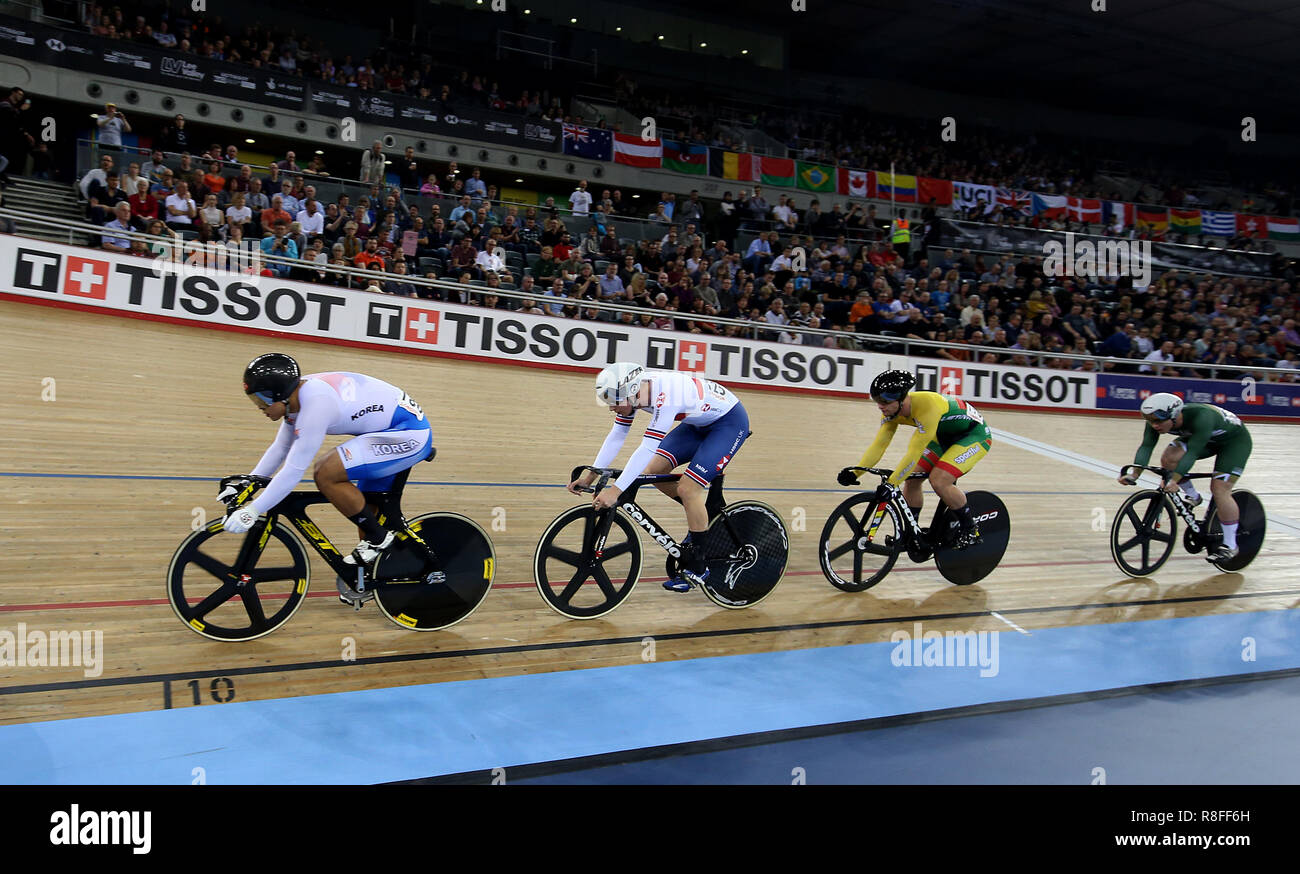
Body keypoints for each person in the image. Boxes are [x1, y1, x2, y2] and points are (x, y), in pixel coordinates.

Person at [221, 354, 436, 596]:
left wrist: (253, 510)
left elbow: (293, 471)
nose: (259, 408)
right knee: (365, 506)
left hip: (408, 435)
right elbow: (281, 448)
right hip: (385, 431)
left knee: (326, 472)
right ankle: (373, 572)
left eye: (260, 400)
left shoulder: (316, 404)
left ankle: (379, 538)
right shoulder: (295, 398)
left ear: (279, 395)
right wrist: (249, 481)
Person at [570, 363, 750, 592]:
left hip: (728, 423)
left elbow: (646, 448)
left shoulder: (666, 396)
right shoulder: (635, 392)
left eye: (615, 402)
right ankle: (704, 517)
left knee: (688, 489)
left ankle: (698, 565)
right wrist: (590, 477)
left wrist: (615, 492)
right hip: (696, 425)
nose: (611, 408)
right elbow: (617, 436)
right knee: (651, 473)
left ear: (632, 392)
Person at [842, 370, 992, 548]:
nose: (880, 407)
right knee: (912, 480)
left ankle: (970, 529)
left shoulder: (928, 407)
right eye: (877, 401)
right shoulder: (891, 412)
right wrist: (856, 472)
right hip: (943, 436)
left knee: (939, 481)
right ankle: (911, 535)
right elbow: (879, 445)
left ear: (901, 399)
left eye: (885, 402)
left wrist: (891, 484)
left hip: (973, 436)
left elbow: (914, 452)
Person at [1117, 392, 1252, 562]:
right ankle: (1194, 497)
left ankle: (1231, 545)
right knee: (1169, 458)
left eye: (1158, 421)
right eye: (1151, 421)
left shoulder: (1202, 417)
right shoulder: (1155, 421)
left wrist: (1174, 480)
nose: (1154, 425)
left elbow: (1193, 453)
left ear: (1174, 416)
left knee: (1219, 489)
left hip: (1234, 443)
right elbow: (1146, 446)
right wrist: (1134, 474)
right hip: (1206, 439)